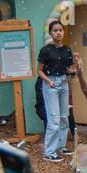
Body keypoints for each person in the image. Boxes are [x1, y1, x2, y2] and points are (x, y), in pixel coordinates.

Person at [36, 20, 75, 162]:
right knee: (54, 119)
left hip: (64, 83)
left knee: (64, 117)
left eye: (60, 30)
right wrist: (48, 81)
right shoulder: (45, 50)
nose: (58, 33)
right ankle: (49, 152)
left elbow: (68, 69)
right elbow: (39, 71)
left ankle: (60, 146)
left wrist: (76, 68)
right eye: (55, 30)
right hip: (50, 83)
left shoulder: (67, 50)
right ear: (51, 33)